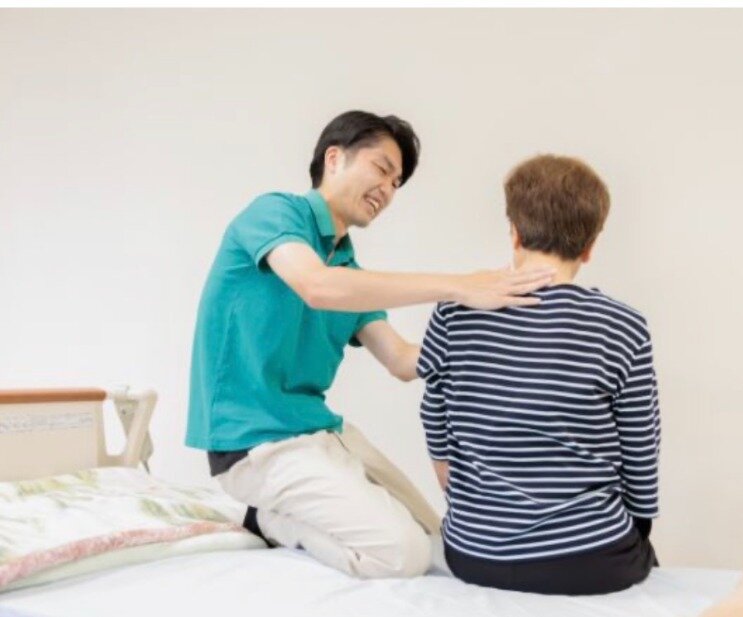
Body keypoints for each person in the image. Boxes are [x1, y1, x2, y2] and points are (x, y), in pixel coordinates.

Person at [185, 110, 555, 579]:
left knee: (437, 541)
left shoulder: (350, 272)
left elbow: (402, 360)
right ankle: (268, 520)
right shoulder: (274, 214)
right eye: (381, 169)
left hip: (320, 433)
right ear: (334, 159)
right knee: (402, 555)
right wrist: (459, 285)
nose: (388, 190)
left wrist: (498, 335)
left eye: (396, 183)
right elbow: (316, 285)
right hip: (253, 446)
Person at [417, 154, 661, 594]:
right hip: (590, 558)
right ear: (590, 247)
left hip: (474, 555)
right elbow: (640, 447)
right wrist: (639, 527)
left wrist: (473, 511)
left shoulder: (454, 311)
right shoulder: (623, 326)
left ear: (514, 233)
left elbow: (435, 417)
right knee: (642, 555)